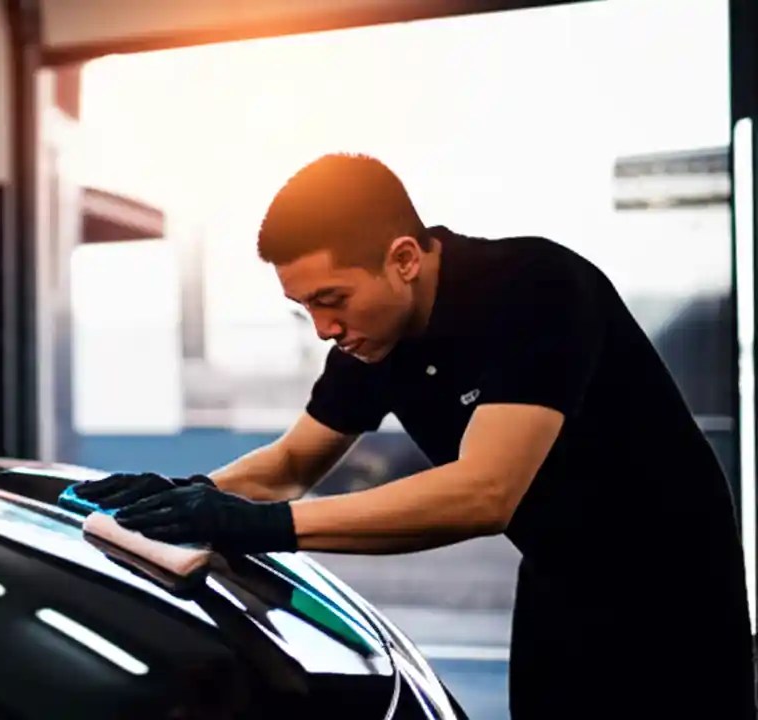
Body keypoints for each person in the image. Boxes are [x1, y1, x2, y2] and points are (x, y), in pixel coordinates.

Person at [66, 154, 756, 718]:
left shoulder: (537, 289)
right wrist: (187, 494)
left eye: (331, 299)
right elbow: (290, 463)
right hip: (557, 579)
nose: (323, 329)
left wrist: (259, 526)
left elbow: (485, 492)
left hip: (672, 587)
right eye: (304, 307)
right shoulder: (374, 340)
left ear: (403, 258)